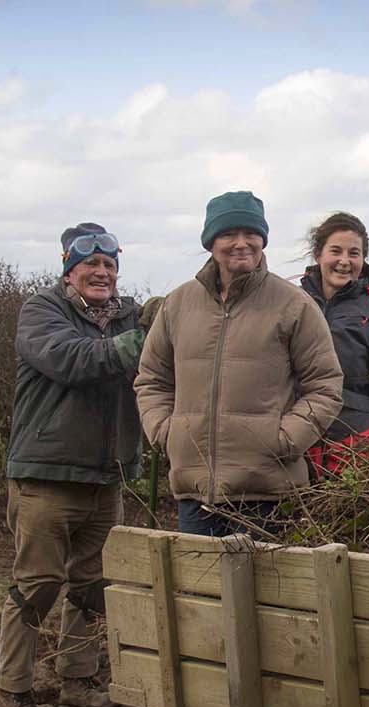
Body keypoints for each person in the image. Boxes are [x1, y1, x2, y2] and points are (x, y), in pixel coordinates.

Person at [0, 223, 146, 707]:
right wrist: (143, 338)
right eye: (90, 264)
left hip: (105, 477)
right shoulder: (41, 312)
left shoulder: (128, 316)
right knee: (37, 583)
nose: (101, 272)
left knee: (91, 583)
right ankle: (11, 689)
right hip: (45, 474)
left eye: (109, 265)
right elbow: (74, 360)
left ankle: (78, 681)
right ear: (69, 268)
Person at [135, 191, 344, 537]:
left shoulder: (294, 305)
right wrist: (166, 432)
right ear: (211, 242)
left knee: (267, 593)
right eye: (228, 234)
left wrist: (283, 440)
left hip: (268, 494)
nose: (241, 243)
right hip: (195, 492)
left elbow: (326, 386)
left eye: (251, 234)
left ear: (263, 239)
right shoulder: (178, 304)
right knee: (199, 591)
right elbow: (152, 379)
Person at [298, 211, 369, 475]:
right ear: (319, 254)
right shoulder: (293, 306)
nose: (344, 261)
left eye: (354, 253)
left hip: (357, 447)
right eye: (335, 251)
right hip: (299, 444)